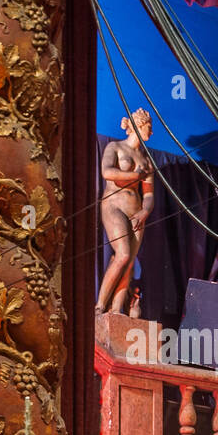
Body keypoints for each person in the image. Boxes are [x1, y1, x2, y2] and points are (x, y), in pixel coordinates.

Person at [97, 109, 155, 315]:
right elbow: (107, 172)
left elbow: (148, 194)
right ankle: (100, 305)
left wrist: (144, 212)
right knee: (122, 255)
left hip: (136, 212)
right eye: (150, 126)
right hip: (114, 205)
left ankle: (116, 309)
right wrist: (135, 175)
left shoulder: (147, 161)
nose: (152, 131)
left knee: (129, 262)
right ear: (139, 124)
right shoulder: (116, 147)